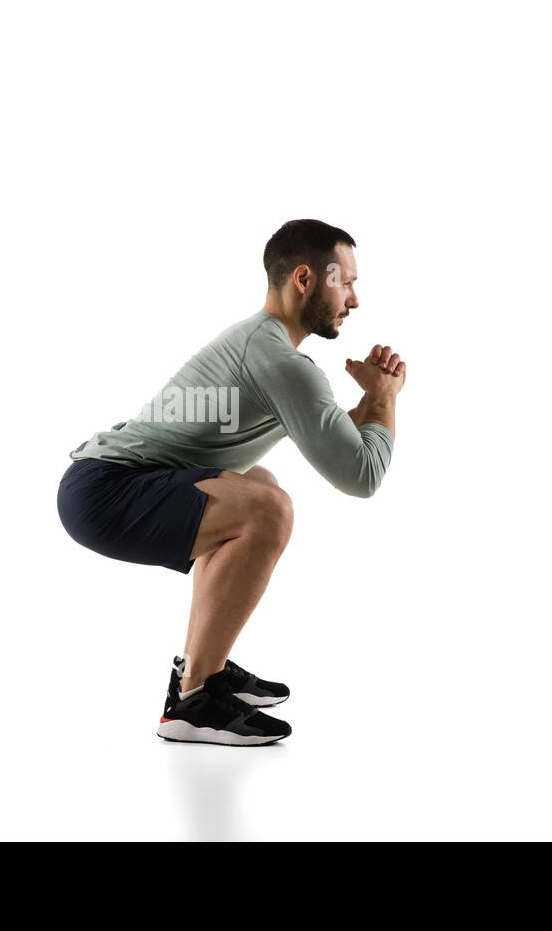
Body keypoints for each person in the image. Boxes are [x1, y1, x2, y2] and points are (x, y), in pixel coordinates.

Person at [57, 219, 406, 746]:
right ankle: (196, 699)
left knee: (257, 482)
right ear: (305, 279)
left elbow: (334, 441)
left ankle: (201, 670)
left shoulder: (264, 345)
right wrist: (383, 399)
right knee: (268, 509)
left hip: (101, 482)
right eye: (347, 282)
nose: (354, 300)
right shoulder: (281, 363)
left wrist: (370, 404)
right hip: (105, 491)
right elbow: (362, 475)